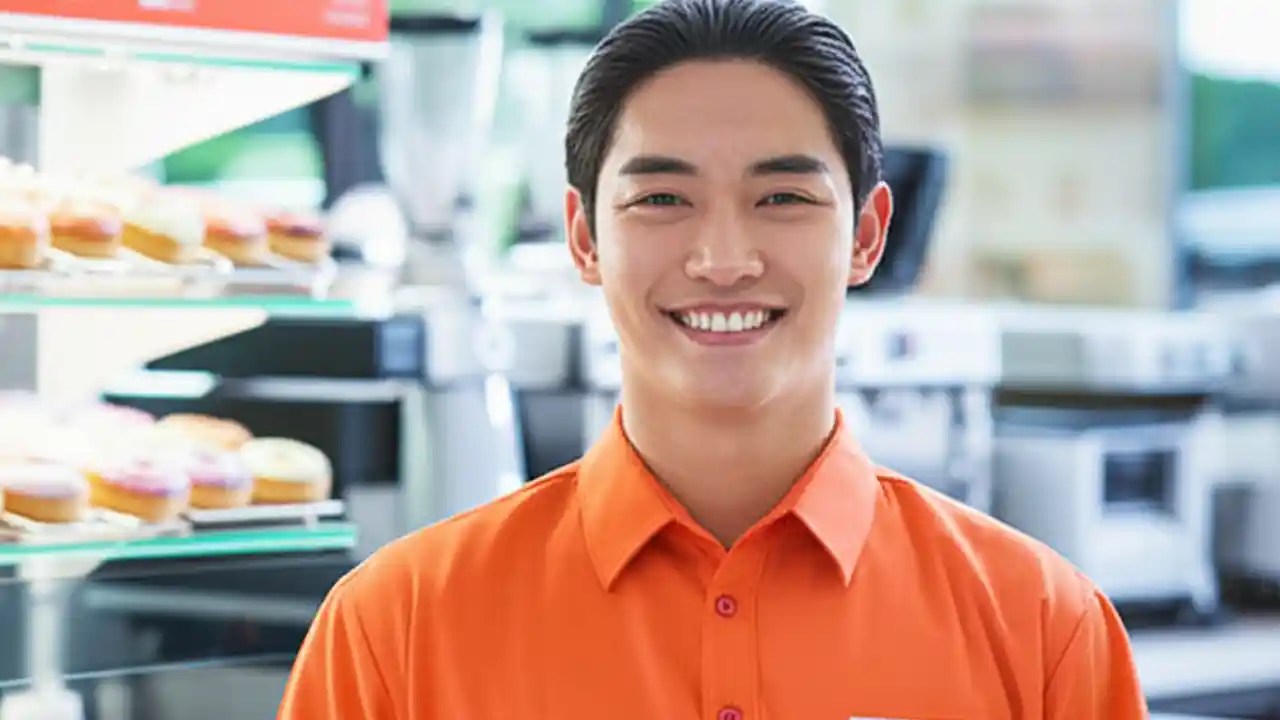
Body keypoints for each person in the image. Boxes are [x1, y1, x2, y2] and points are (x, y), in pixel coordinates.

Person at [278, 0, 1148, 717]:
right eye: (662, 197)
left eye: (782, 197)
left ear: (868, 234)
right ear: (585, 237)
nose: (722, 258)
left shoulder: (1044, 629)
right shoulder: (394, 629)